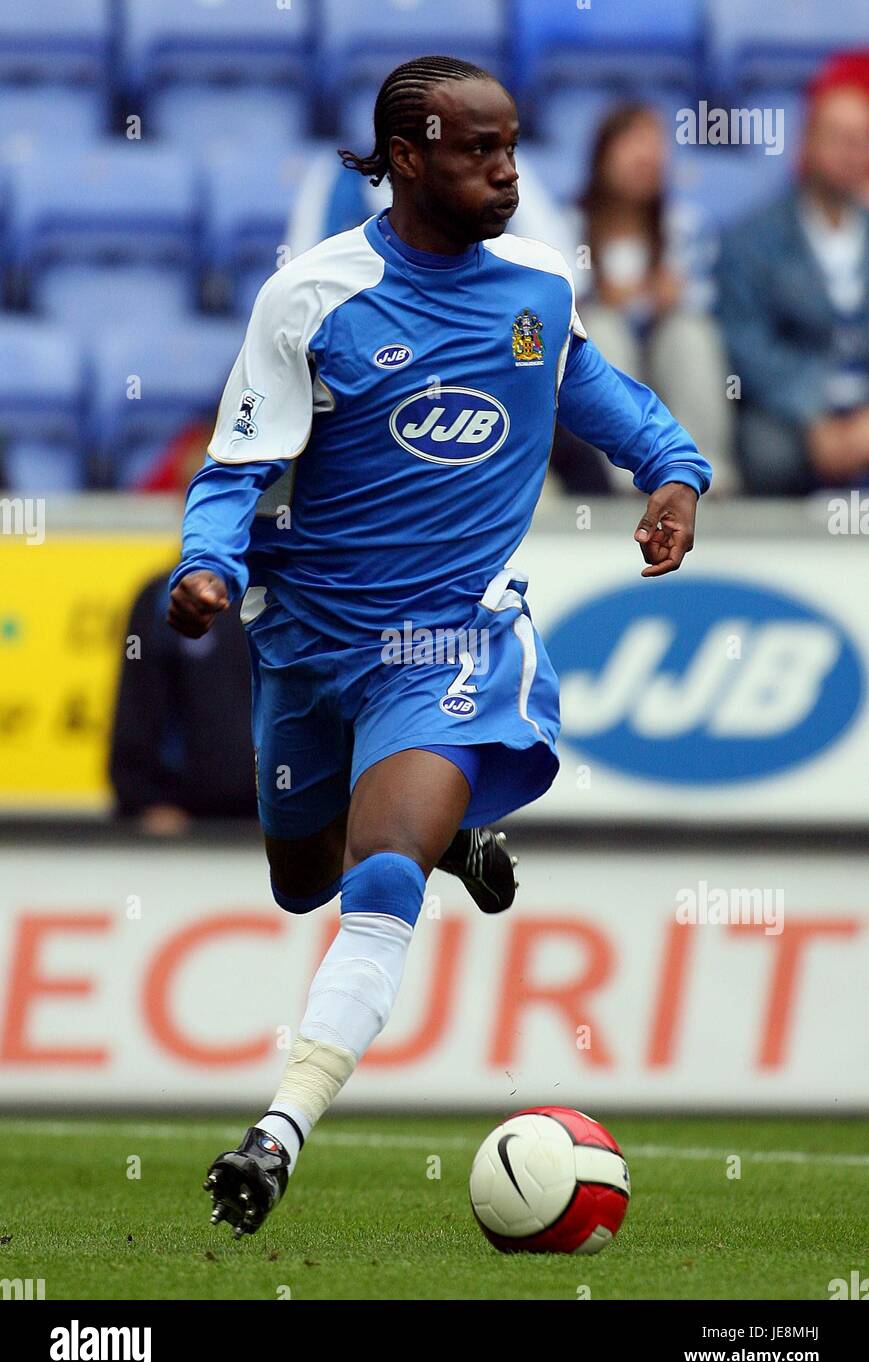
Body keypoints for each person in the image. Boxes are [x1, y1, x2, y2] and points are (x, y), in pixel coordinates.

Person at [166, 55, 710, 1238]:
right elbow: (235, 468)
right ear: (406, 158)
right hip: (308, 640)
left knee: (374, 879)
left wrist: (671, 473)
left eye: (512, 146)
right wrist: (205, 565)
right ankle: (449, 833)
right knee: (300, 876)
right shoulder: (311, 300)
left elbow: (597, 391)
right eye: (478, 151)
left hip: (450, 636)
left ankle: (277, 1133)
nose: (507, 172)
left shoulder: (535, 293)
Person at [558, 104, 734, 491]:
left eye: (653, 147)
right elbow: (556, 306)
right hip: (606, 361)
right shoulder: (568, 225)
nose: (645, 158)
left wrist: (672, 297)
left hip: (665, 359)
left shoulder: (686, 226)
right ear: (602, 156)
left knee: (690, 332)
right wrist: (607, 298)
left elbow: (709, 298)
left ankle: (701, 469)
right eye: (631, 146)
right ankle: (623, 478)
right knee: (599, 326)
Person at [717, 81, 869, 494]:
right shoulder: (752, 238)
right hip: (787, 409)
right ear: (807, 144)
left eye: (862, 142)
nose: (853, 154)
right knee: (770, 454)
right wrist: (811, 411)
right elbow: (745, 342)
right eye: (841, 140)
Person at [110, 570, 257, 832]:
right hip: (183, 821)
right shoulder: (163, 598)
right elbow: (135, 709)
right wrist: (147, 803)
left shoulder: (297, 594)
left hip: (274, 822)